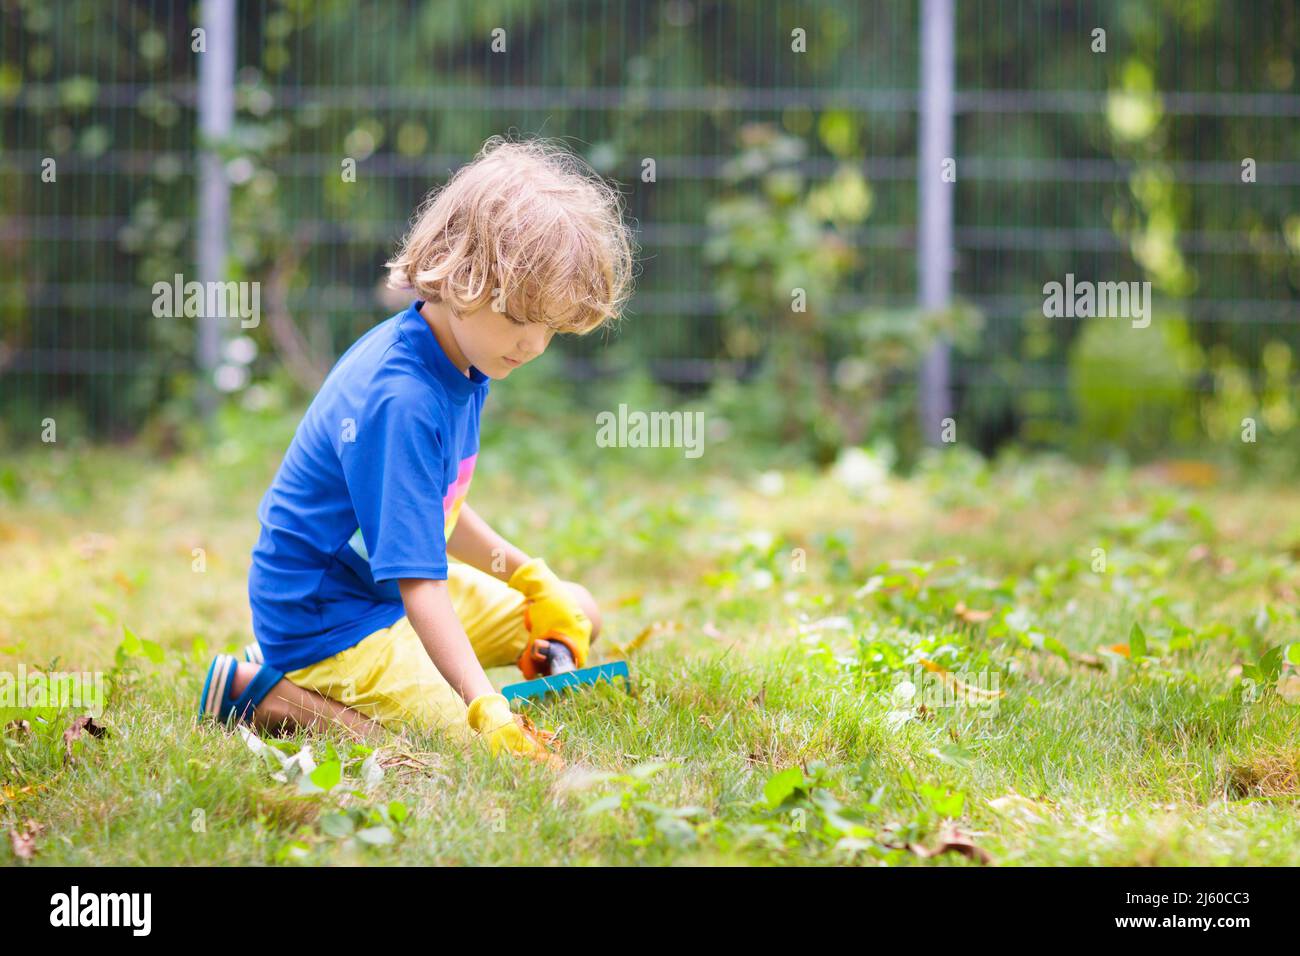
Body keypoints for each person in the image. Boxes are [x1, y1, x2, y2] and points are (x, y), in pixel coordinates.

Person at [198, 136, 636, 763]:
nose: (534, 345)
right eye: (519, 319)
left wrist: (533, 579)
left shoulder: (466, 356)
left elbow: (439, 510)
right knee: (462, 750)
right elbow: (419, 585)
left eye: (551, 327)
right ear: (461, 276)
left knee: (576, 612)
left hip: (384, 595)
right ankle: (268, 692)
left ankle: (393, 685)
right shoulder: (401, 399)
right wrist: (484, 706)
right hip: (330, 621)